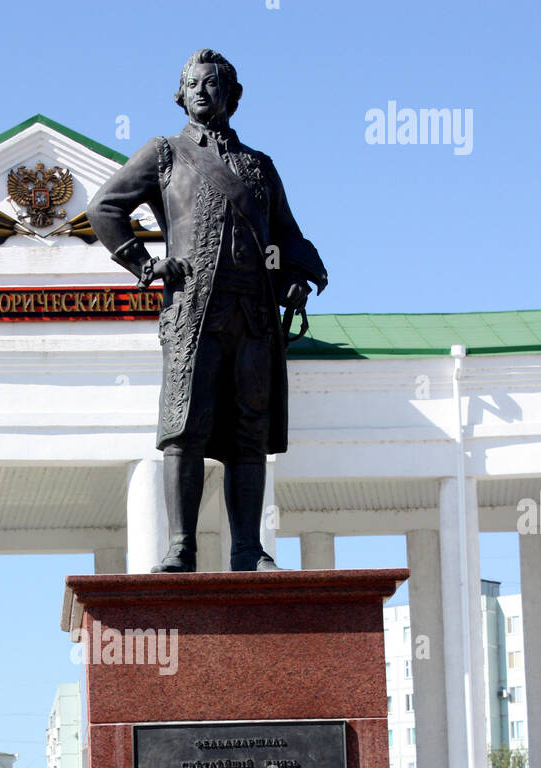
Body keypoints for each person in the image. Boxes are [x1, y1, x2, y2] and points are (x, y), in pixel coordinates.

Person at [87, 49, 327, 572]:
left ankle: (247, 549)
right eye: (193, 83)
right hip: (194, 313)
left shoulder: (259, 167)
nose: (202, 91)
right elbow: (104, 207)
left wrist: (294, 280)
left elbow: (286, 236)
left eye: (213, 84)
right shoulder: (164, 154)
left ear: (232, 97)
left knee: (250, 432)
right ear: (181, 93)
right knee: (185, 428)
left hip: (253, 315)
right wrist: (146, 265)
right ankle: (181, 547)